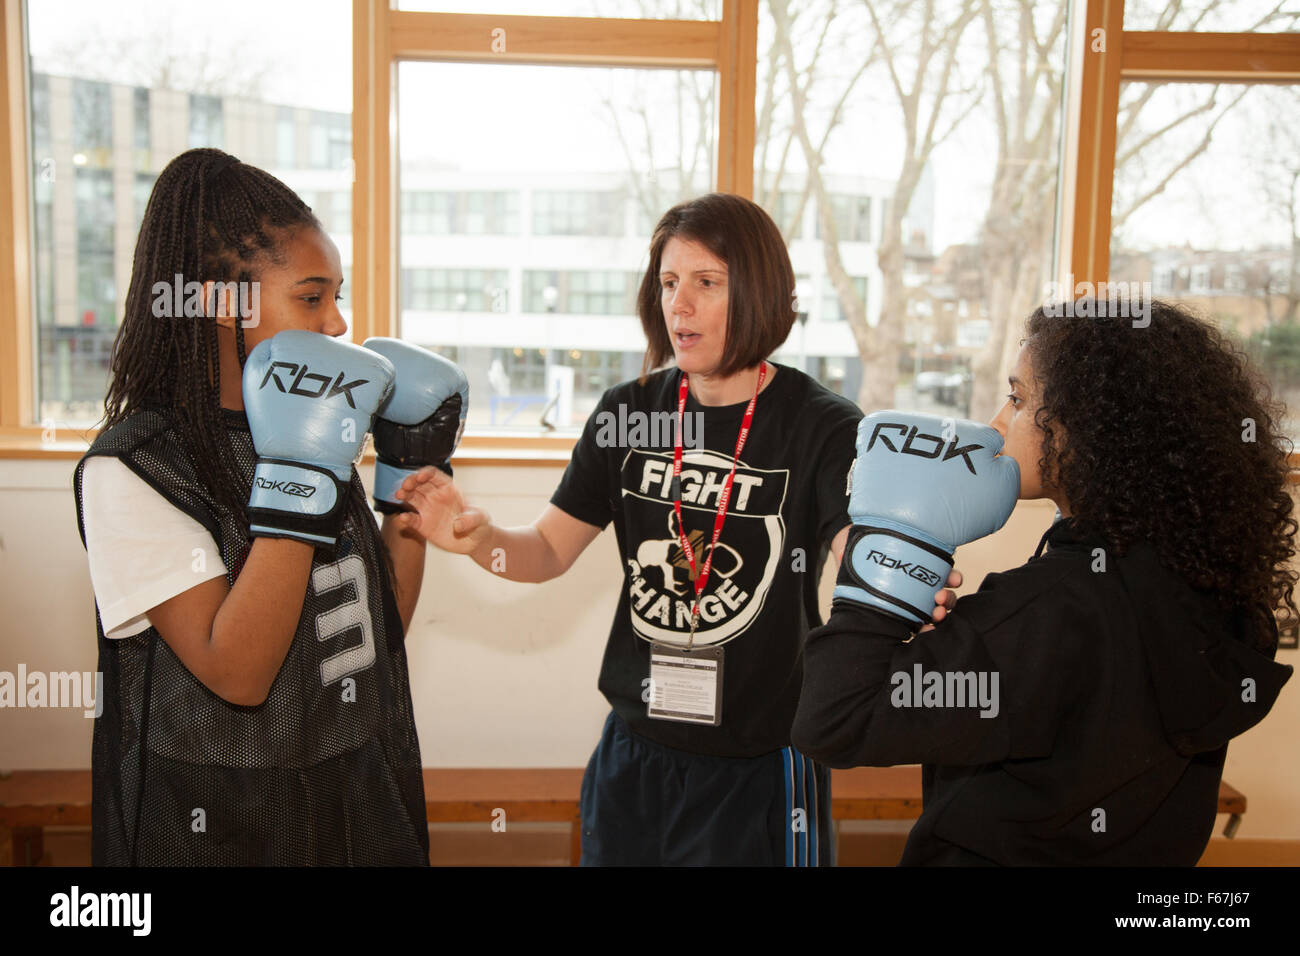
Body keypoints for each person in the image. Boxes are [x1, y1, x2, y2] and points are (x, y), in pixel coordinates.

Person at [394, 193, 956, 865]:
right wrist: (477, 540)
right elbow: (545, 551)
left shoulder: (821, 423)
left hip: (761, 766)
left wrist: (906, 581)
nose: (678, 304)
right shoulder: (627, 413)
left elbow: (852, 548)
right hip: (635, 755)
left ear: (757, 293)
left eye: (706, 283)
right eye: (667, 283)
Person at [791, 298, 1295, 865]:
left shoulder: (1053, 611)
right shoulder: (1213, 592)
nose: (997, 425)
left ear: (1090, 425)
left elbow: (833, 719)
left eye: (1018, 399)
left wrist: (879, 574)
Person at [72, 148, 460, 865]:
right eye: (311, 297)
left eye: (337, 294)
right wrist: (300, 472)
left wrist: (408, 489)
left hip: (352, 790)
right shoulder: (135, 469)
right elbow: (239, 673)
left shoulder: (305, 425)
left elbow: (370, 637)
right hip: (218, 823)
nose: (339, 323)